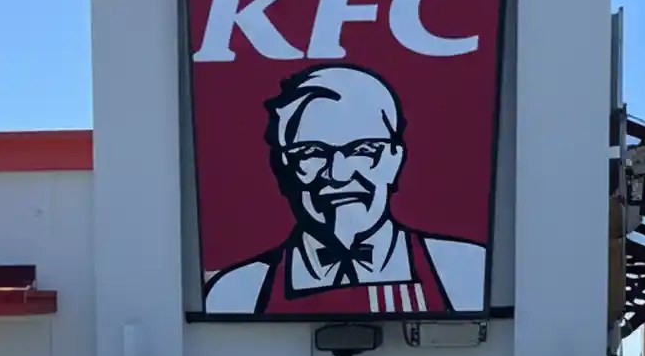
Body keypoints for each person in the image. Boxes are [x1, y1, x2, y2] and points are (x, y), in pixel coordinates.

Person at [204, 63, 486, 315]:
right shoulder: (239, 291)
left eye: (364, 150)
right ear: (284, 166)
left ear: (394, 160)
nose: (338, 175)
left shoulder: (464, 270)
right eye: (312, 152)